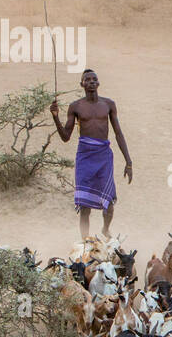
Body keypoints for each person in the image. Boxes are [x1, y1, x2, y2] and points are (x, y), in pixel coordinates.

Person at [50, 69, 133, 239]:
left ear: (99, 83)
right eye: (87, 80)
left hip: (104, 154)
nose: (91, 82)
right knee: (84, 203)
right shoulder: (76, 106)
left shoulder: (108, 104)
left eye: (94, 79)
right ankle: (85, 240)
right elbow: (66, 137)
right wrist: (55, 117)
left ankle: (105, 229)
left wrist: (128, 161)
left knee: (109, 200)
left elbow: (118, 133)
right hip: (85, 156)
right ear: (82, 84)